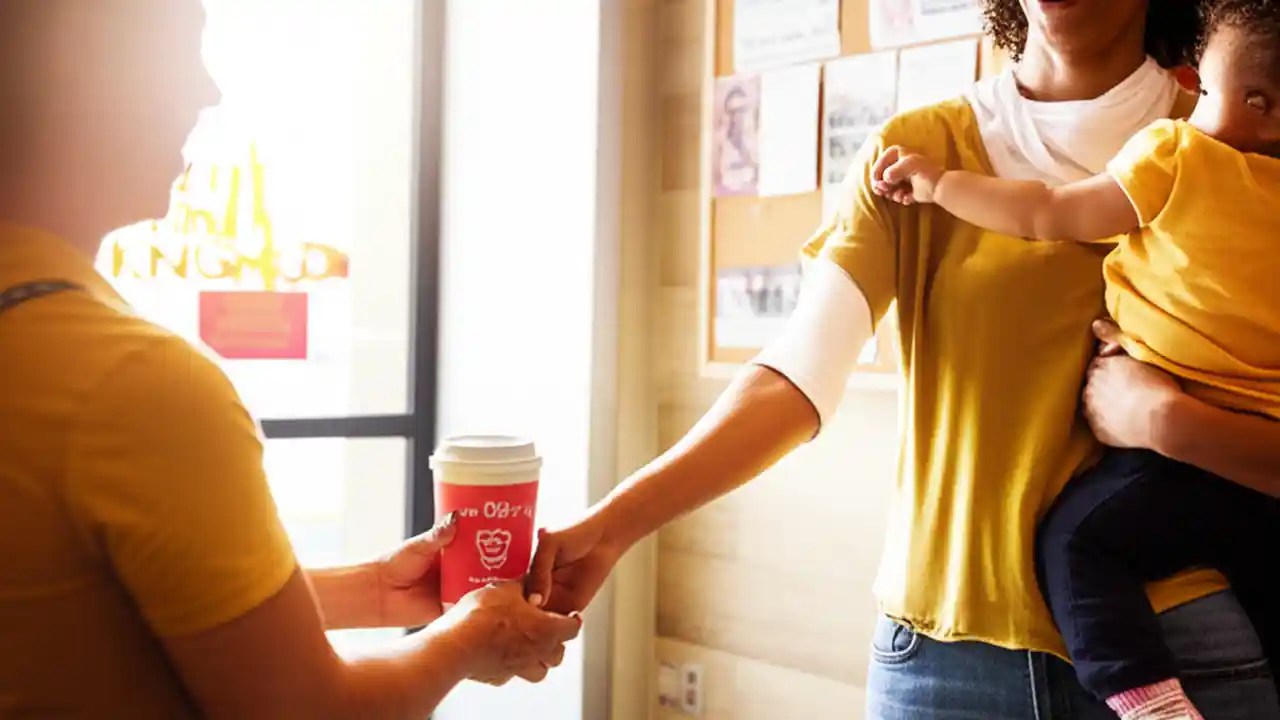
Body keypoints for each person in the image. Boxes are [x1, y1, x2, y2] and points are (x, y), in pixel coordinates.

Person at [526, 0, 1280, 718]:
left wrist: (1167, 420)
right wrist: (615, 523)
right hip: (947, 662)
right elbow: (795, 376)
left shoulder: (1239, 131)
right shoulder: (916, 155)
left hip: (1184, 648)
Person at [0, 1, 578, 718]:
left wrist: (373, 589)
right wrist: (466, 640)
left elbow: (90, 602)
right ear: (82, 79)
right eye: (180, 52)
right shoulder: (134, 385)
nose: (204, 91)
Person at [868, 1, 1280, 716]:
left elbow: (1048, 211)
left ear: (1262, 107)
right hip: (1254, 481)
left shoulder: (1178, 153)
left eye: (1207, 92)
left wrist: (939, 186)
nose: (1195, 105)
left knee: (1076, 544)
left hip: (1166, 479)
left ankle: (1148, 700)